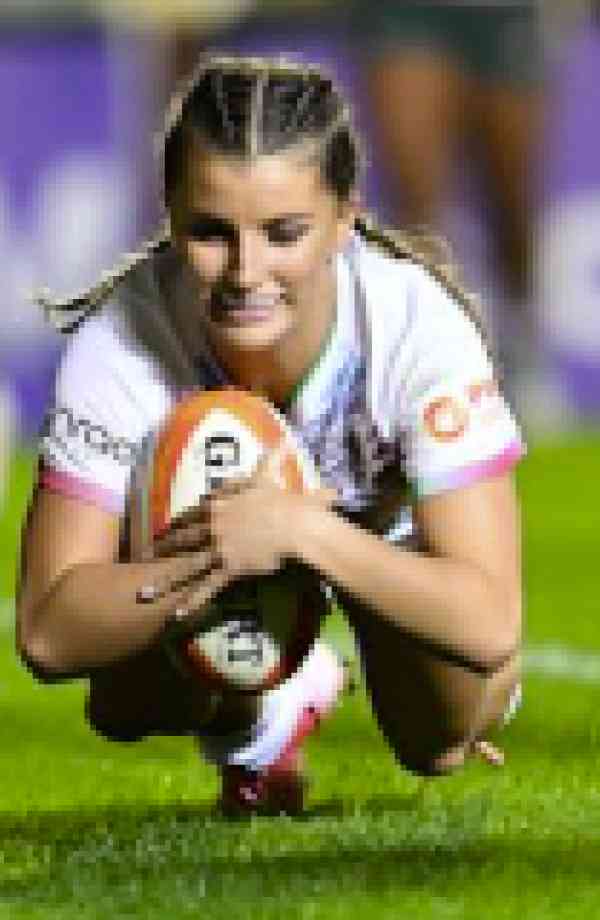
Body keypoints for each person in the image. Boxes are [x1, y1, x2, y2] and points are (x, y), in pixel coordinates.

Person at [17, 55, 523, 816]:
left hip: (374, 554)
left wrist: (302, 535)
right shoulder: (123, 339)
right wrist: (222, 552)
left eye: (285, 233)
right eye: (210, 232)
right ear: (170, 215)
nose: (246, 272)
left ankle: (305, 641)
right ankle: (260, 714)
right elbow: (49, 634)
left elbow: (489, 622)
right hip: (217, 559)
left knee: (441, 736)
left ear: (345, 219)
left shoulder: (415, 326)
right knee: (123, 704)